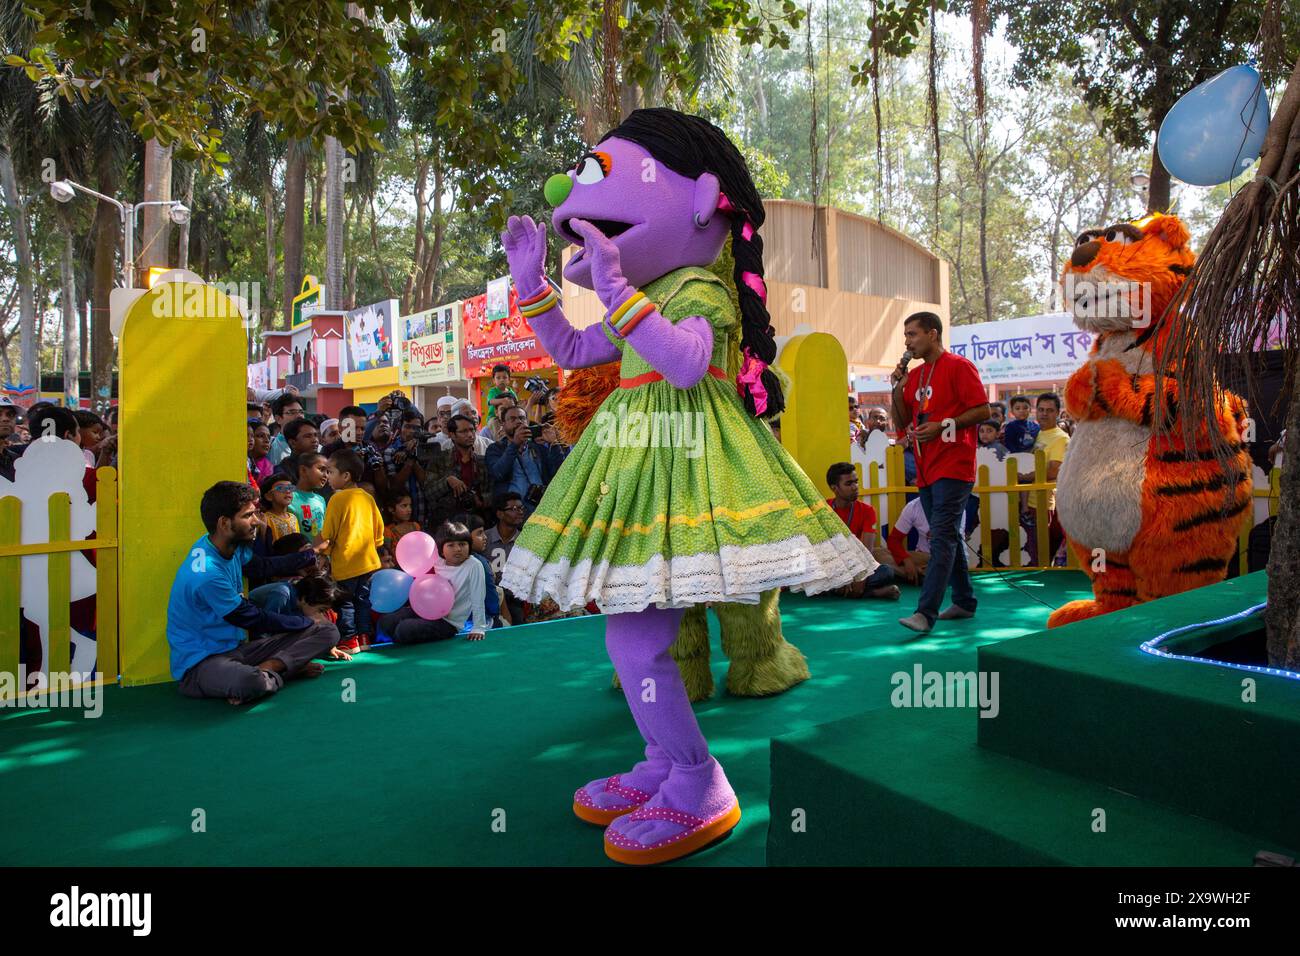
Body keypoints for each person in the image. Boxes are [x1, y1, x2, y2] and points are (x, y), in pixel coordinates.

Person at [166, 481, 338, 704]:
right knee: (250, 682)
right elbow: (251, 617)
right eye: (249, 515)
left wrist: (308, 555)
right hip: (202, 664)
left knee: (328, 631)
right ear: (225, 523)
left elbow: (262, 567)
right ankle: (277, 672)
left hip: (239, 652)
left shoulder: (228, 545)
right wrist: (303, 622)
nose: (257, 521)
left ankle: (271, 668)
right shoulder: (207, 572)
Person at [890, 310, 990, 633]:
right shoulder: (916, 376)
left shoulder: (960, 367)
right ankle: (964, 601)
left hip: (955, 464)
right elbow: (902, 422)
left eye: (913, 334)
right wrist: (897, 388)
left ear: (933, 334)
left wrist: (945, 425)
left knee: (942, 536)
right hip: (925, 467)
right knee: (948, 535)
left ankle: (925, 613)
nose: (908, 342)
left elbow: (984, 410)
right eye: (906, 336)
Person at [377, 520, 487, 643]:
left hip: (448, 623)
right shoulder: (436, 560)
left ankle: (403, 638)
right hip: (423, 610)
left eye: (462, 544)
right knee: (386, 622)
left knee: (404, 629)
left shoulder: (474, 565)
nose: (457, 549)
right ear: (441, 549)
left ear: (469, 546)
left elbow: (478, 597)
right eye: (451, 545)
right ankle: (402, 638)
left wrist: (478, 627)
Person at [320, 449, 385, 654]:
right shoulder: (366, 497)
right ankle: (365, 637)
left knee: (345, 602)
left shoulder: (336, 499)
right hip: (367, 562)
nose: (327, 477)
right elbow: (379, 527)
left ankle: (349, 639)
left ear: (345, 475)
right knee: (363, 601)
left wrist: (324, 553)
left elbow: (329, 532)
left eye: (330, 472)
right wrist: (376, 543)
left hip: (345, 563)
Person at [824, 462, 900, 599]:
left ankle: (844, 590)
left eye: (856, 482)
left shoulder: (867, 511)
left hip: (858, 564)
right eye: (849, 484)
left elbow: (867, 550)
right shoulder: (823, 510)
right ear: (834, 488)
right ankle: (873, 593)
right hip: (833, 566)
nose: (855, 487)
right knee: (815, 576)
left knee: (886, 572)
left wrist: (861, 577)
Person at [1018, 392, 1070, 562]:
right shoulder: (1033, 433)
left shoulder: (1061, 438)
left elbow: (1054, 471)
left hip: (1044, 503)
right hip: (1024, 502)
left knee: (1040, 556)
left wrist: (1024, 477)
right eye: (1041, 409)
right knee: (1028, 553)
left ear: (1057, 412)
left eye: (1049, 410)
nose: (1044, 414)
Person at [422, 413, 492, 529]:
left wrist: (481, 500)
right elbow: (429, 493)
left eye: (472, 430)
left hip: (477, 521)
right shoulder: (439, 460)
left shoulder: (482, 462)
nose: (470, 435)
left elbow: (494, 491)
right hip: (447, 523)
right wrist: (448, 481)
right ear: (452, 435)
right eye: (464, 431)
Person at [485, 405, 556, 517]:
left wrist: (554, 443)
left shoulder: (537, 447)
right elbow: (498, 474)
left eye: (522, 418)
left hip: (542, 510)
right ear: (503, 424)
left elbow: (556, 473)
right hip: (512, 514)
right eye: (512, 419)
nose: (518, 421)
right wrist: (514, 444)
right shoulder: (495, 448)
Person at [884, 495, 967, 585]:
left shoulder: (955, 506)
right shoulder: (913, 506)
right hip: (923, 557)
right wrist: (906, 560)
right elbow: (894, 540)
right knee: (877, 553)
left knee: (948, 564)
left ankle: (912, 574)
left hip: (948, 557)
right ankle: (919, 574)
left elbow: (951, 543)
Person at [454, 512, 506, 627]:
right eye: (479, 533)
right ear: (465, 536)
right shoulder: (480, 563)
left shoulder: (447, 559)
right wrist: (495, 615)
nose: (485, 537)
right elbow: (491, 600)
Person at [383, 410, 430, 529]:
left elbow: (426, 483)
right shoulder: (390, 451)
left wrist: (412, 454)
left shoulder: (426, 449)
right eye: (408, 426)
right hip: (399, 520)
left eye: (417, 428)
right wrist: (410, 458)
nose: (412, 431)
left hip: (422, 513)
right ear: (400, 428)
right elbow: (395, 485)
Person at [486, 491, 526, 626]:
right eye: (514, 509)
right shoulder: (485, 538)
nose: (520, 512)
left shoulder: (525, 541)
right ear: (500, 514)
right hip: (489, 595)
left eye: (521, 508)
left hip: (515, 597)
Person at [290, 452, 330, 541]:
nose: (326, 475)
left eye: (328, 471)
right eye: (321, 469)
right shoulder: (289, 497)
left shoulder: (320, 499)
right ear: (303, 470)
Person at [259, 472, 301, 542]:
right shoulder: (265, 518)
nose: (288, 491)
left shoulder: (293, 517)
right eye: (281, 488)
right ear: (269, 496)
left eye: (290, 488)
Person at [277, 418, 320, 484]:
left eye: (315, 435)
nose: (315, 440)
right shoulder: (283, 470)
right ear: (293, 443)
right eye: (308, 436)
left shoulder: (324, 464)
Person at [267, 393, 306, 466]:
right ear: (278, 419)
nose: (299, 416)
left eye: (301, 412)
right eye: (292, 412)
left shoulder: (316, 447)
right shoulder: (269, 449)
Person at [381, 491, 420, 555]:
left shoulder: (415, 526)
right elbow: (389, 555)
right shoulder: (387, 531)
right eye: (404, 506)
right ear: (391, 509)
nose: (409, 510)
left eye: (410, 506)